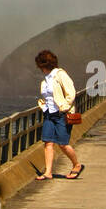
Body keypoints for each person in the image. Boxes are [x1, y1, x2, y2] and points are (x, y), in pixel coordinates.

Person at [34, 50, 83, 179]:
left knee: (63, 144)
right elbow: (50, 96)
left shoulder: (60, 75)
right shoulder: (46, 79)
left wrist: (64, 108)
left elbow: (71, 93)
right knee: (48, 143)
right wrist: (44, 106)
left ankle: (76, 165)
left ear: (44, 65)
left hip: (61, 114)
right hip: (49, 114)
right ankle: (48, 172)